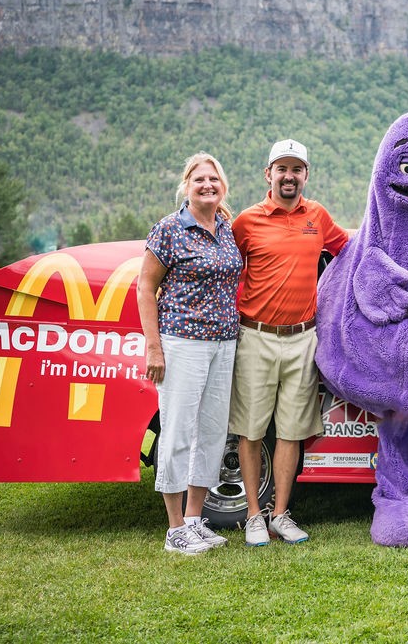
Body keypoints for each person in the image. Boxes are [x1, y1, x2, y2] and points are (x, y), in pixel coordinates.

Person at [229, 138, 350, 546]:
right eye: (281, 168)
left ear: (305, 175)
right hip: (255, 337)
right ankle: (252, 516)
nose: (289, 176)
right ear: (268, 174)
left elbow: (347, 250)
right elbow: (223, 268)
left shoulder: (317, 215)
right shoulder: (246, 222)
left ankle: (280, 514)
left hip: (304, 338)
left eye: (296, 169)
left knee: (291, 432)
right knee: (250, 430)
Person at [137, 152, 242, 555]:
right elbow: (145, 288)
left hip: (223, 343)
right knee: (178, 433)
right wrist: (153, 347)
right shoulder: (168, 229)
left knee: (213, 434)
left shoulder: (226, 228)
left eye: (213, 179)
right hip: (182, 343)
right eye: (199, 179)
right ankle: (175, 528)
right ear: (186, 185)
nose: (207, 185)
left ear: (223, 186)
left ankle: (196, 520)